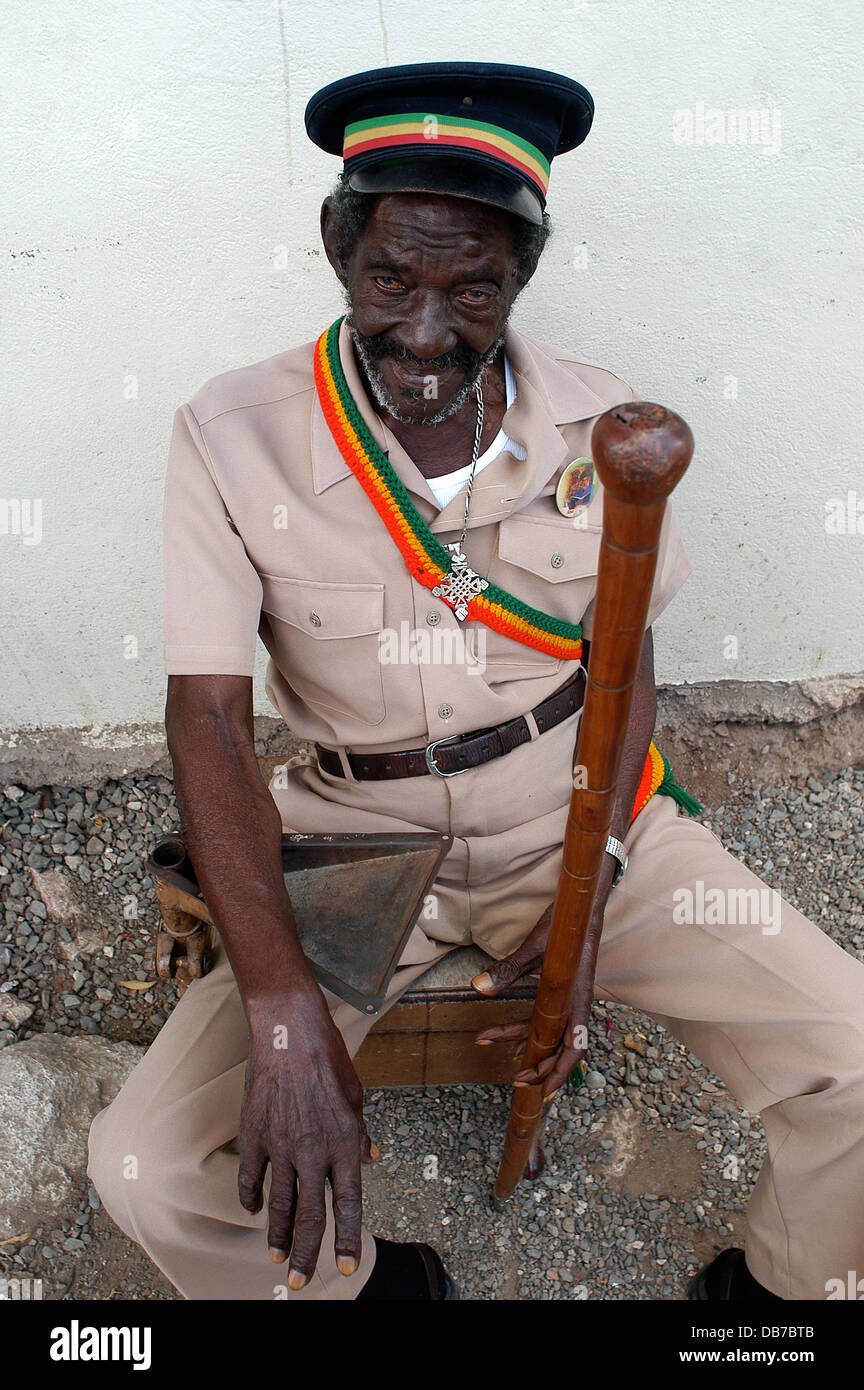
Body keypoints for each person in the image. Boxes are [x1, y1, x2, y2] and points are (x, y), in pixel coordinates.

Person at [88, 61, 864, 1302]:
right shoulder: (229, 435)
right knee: (142, 1165)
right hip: (355, 844)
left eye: (475, 286)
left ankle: (767, 1298)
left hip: (580, 812)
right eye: (394, 276)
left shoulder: (611, 427)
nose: (428, 330)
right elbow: (209, 722)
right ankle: (379, 1292)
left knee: (857, 1061)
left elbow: (627, 663)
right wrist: (284, 1010)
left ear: (522, 277)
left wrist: (598, 880)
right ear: (340, 252)